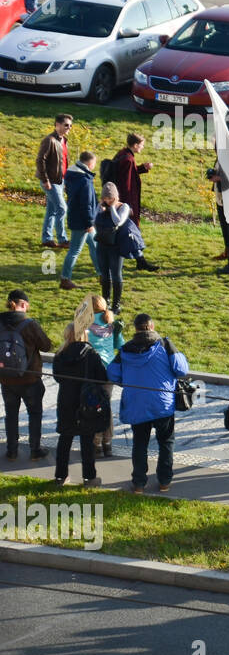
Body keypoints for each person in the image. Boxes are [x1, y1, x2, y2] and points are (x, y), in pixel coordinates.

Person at [107, 314, 189, 494]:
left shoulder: (125, 349)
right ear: (151, 327)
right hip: (162, 404)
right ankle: (164, 482)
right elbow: (182, 369)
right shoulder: (165, 345)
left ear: (136, 329)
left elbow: (112, 373)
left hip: (137, 403)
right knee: (166, 442)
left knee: (140, 443)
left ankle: (138, 483)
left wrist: (126, 381)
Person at [1, 289, 53, 460]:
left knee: (11, 414)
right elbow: (46, 346)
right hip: (30, 378)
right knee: (35, 414)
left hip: (6, 378)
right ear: (23, 304)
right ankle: (35, 450)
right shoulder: (29, 324)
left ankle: (11, 451)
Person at [52, 322, 106, 486]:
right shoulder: (91, 354)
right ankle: (89, 477)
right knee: (87, 440)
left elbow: (57, 377)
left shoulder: (60, 354)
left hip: (66, 400)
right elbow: (102, 378)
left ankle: (61, 476)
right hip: (86, 401)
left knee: (65, 438)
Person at [80, 294, 123, 457]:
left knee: (94, 405)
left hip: (92, 369)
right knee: (106, 406)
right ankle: (108, 442)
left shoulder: (85, 324)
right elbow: (120, 345)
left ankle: (96, 443)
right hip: (109, 370)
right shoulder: (111, 323)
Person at [111, 133, 159, 272]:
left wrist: (143, 168)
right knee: (132, 230)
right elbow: (125, 185)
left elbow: (129, 174)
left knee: (127, 231)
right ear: (136, 145)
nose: (143, 147)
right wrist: (127, 206)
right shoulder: (127, 159)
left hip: (122, 201)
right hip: (127, 201)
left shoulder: (124, 155)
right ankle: (140, 261)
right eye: (142, 145)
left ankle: (139, 260)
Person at [94, 183, 139, 315]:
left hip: (116, 246)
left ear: (115, 197)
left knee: (116, 274)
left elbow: (117, 221)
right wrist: (99, 210)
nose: (107, 201)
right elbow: (93, 221)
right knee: (104, 273)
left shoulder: (123, 207)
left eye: (110, 198)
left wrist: (112, 207)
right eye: (105, 198)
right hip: (102, 244)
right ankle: (105, 302)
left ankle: (116, 304)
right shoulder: (101, 206)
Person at [60, 151, 99, 289]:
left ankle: (102, 274)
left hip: (76, 217)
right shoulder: (85, 181)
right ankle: (65, 279)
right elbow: (86, 204)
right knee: (74, 251)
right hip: (82, 222)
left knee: (95, 244)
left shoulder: (72, 175)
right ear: (89, 163)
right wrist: (89, 223)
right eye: (94, 162)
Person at [38, 113, 73, 250]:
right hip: (50, 181)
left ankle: (47, 239)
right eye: (66, 125)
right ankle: (63, 239)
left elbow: (63, 161)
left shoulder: (63, 140)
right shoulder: (49, 140)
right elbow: (40, 160)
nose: (68, 128)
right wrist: (45, 180)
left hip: (60, 180)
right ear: (57, 125)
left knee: (52, 210)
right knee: (62, 208)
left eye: (70, 125)